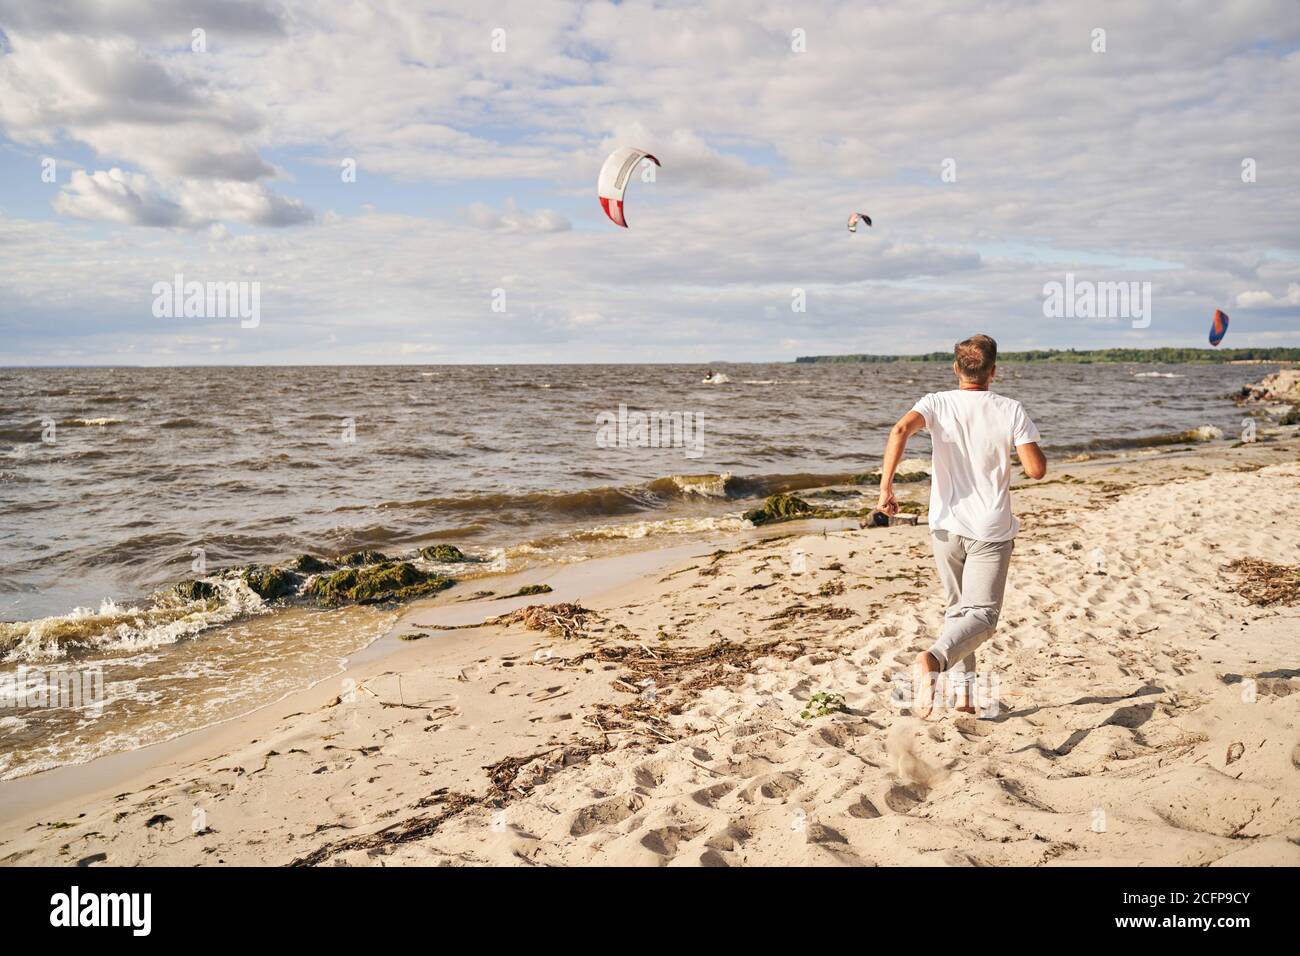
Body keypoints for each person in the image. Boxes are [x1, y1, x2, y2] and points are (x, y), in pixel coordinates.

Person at [877, 334, 1047, 717]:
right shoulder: (1010, 409)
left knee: (959, 610)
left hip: (944, 526)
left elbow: (900, 430)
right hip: (989, 528)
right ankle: (933, 660)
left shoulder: (936, 402)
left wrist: (886, 487)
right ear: (993, 371)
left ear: (956, 369)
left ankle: (965, 698)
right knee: (982, 617)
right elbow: (1036, 471)